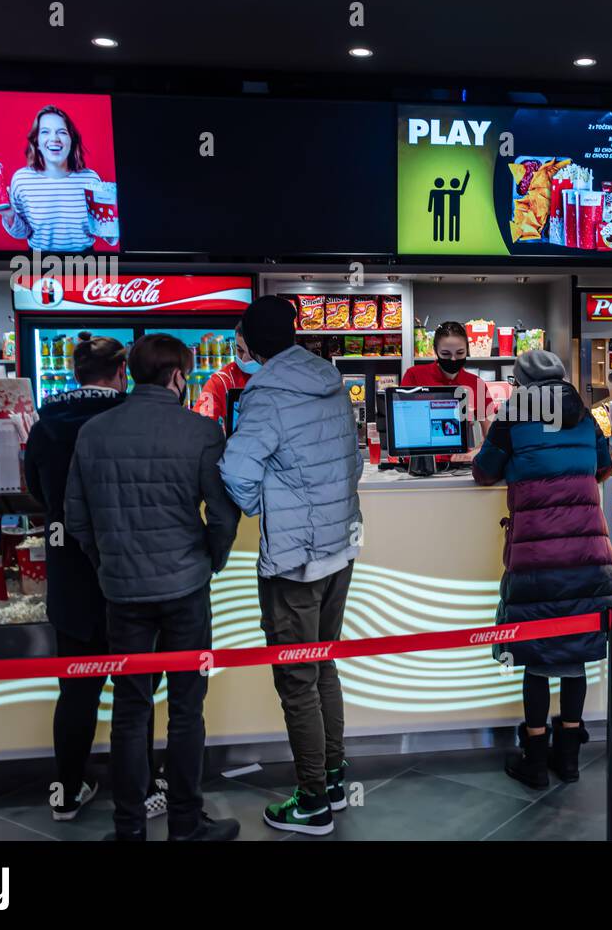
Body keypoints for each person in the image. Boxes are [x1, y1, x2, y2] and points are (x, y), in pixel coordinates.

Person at [65, 333, 241, 841]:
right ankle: (185, 825)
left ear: (132, 373)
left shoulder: (95, 432)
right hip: (186, 588)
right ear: (177, 376)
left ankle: (129, 830)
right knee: (187, 709)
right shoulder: (200, 432)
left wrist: (107, 562)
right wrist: (212, 559)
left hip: (122, 592)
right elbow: (223, 515)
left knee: (130, 710)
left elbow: (76, 517)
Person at [218, 296, 363, 836]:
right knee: (323, 665)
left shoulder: (266, 395)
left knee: (296, 679)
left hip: (293, 562)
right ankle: (332, 780)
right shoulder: (329, 381)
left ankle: (311, 804)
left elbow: (236, 473)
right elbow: (356, 460)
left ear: (251, 343)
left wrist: (260, 506)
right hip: (338, 550)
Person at [23, 332, 167, 822]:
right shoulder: (128, 418)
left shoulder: (46, 422)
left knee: (76, 690)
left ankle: (66, 791)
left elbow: (36, 490)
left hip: (69, 573)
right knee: (135, 688)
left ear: (76, 373)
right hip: (127, 568)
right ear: (121, 373)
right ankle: (144, 789)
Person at [472, 349, 612, 788]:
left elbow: (484, 473)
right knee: (575, 654)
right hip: (588, 554)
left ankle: (535, 760)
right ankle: (570, 758)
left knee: (536, 654)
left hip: (536, 555)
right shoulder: (583, 414)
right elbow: (603, 467)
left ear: (521, 384)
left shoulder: (512, 415)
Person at [0, 105, 116, 252]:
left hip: (84, 261)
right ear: (36, 142)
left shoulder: (90, 179)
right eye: (45, 132)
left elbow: (105, 232)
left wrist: (115, 216)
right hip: (38, 262)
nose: (54, 138)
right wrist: (9, 214)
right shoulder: (21, 180)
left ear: (72, 140)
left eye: (62, 132)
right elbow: (23, 233)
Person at [401, 320, 490, 448]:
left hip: (460, 461)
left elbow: (492, 434)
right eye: (446, 354)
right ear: (435, 351)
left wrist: (479, 450)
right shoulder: (414, 375)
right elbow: (404, 423)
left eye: (460, 353)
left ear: (467, 350)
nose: (453, 359)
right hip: (420, 460)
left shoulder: (476, 383)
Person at [193, 321, 258, 431]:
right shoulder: (221, 381)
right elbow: (199, 428)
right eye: (240, 350)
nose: (244, 359)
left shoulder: (283, 378)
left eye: (252, 352)